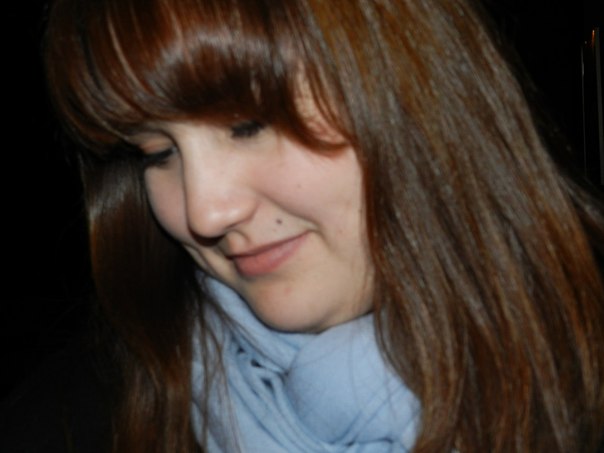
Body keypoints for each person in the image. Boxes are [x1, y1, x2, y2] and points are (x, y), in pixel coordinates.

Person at [40, 0, 604, 451]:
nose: (204, 212)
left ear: (414, 95)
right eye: (157, 153)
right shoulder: (87, 419)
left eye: (248, 124)